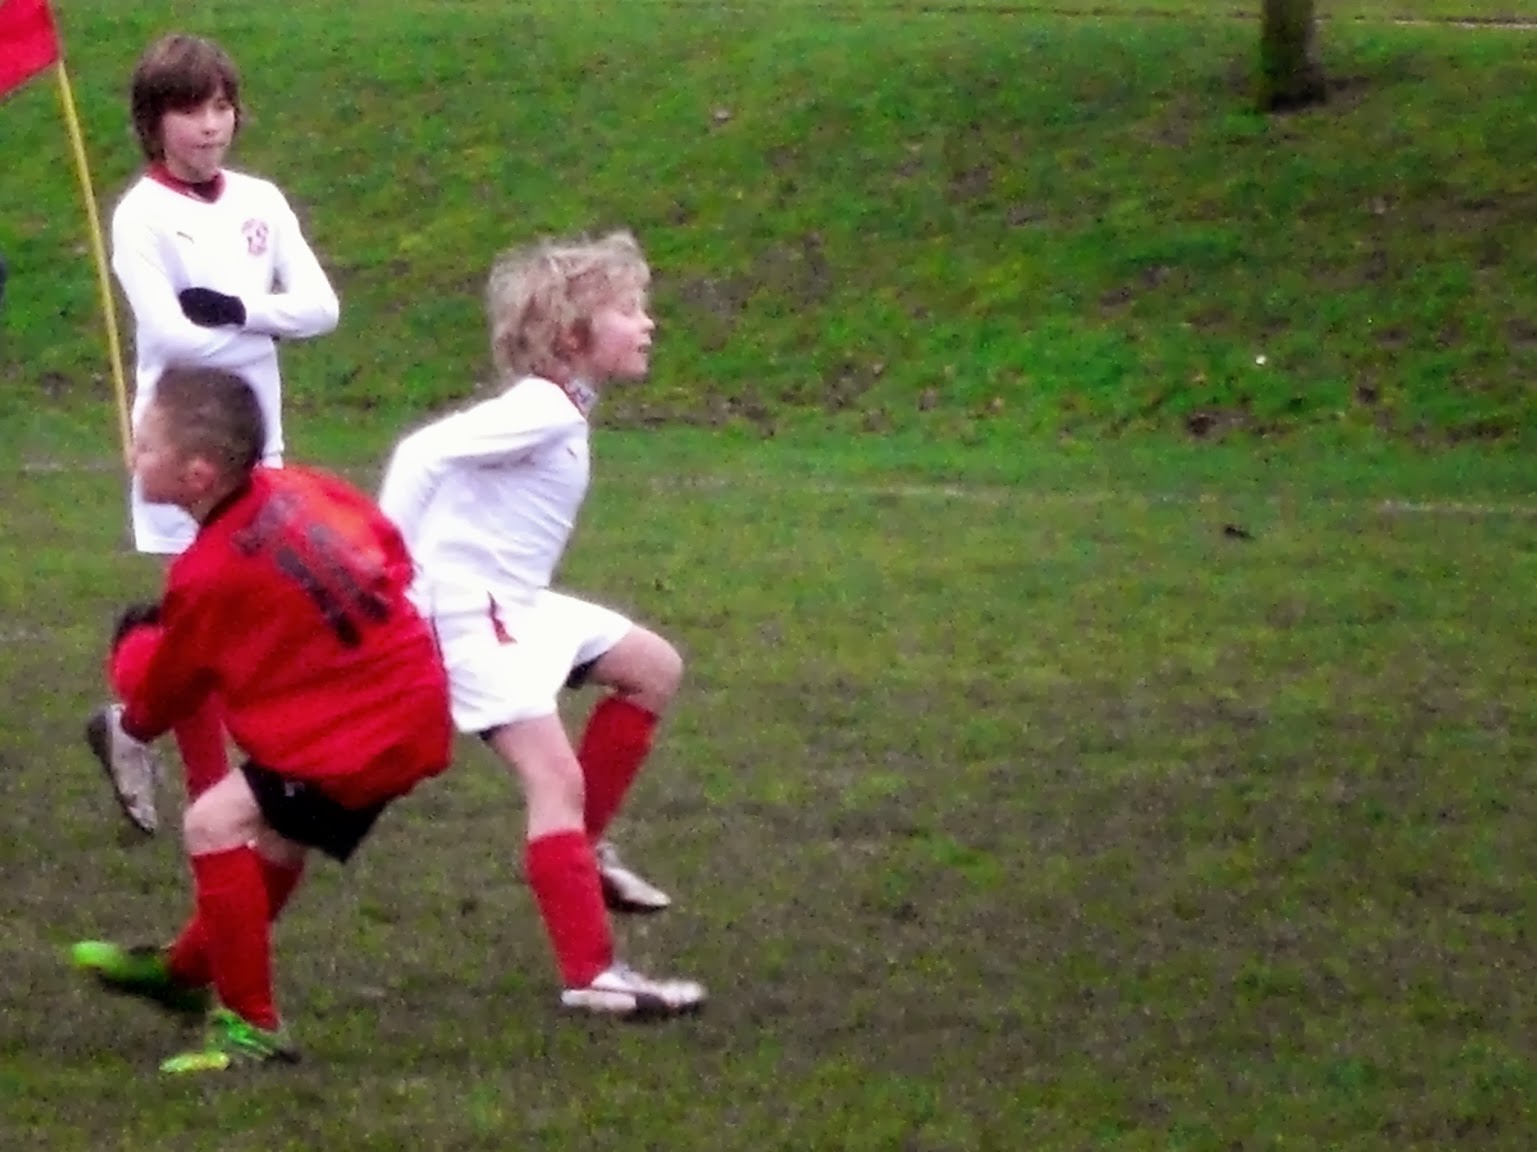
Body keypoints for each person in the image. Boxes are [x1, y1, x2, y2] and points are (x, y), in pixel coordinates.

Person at [71, 367, 452, 1073]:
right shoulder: (299, 485)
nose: (133, 450)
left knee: (213, 823)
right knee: (275, 839)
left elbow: (158, 701)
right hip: (404, 700)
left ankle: (251, 1028)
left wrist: (130, 649)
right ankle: (184, 973)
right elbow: (385, 545)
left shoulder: (209, 572)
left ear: (197, 474)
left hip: (365, 732)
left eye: (147, 442)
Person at [376, 229, 704, 1018]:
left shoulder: (562, 409)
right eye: (627, 309)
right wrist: (379, 574)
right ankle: (592, 975)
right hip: (469, 615)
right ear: (571, 336)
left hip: (518, 604)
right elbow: (423, 456)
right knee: (552, 780)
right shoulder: (542, 410)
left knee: (652, 666)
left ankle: (583, 852)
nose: (646, 322)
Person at [94, 32, 341, 831]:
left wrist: (241, 313)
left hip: (256, 435)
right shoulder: (141, 216)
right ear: (153, 122)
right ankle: (210, 790)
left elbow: (323, 309)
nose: (210, 126)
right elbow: (168, 336)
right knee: (203, 617)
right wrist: (271, 331)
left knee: (252, 609)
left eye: (221, 107)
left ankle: (129, 727)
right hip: (179, 442)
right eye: (190, 111)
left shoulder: (261, 201)